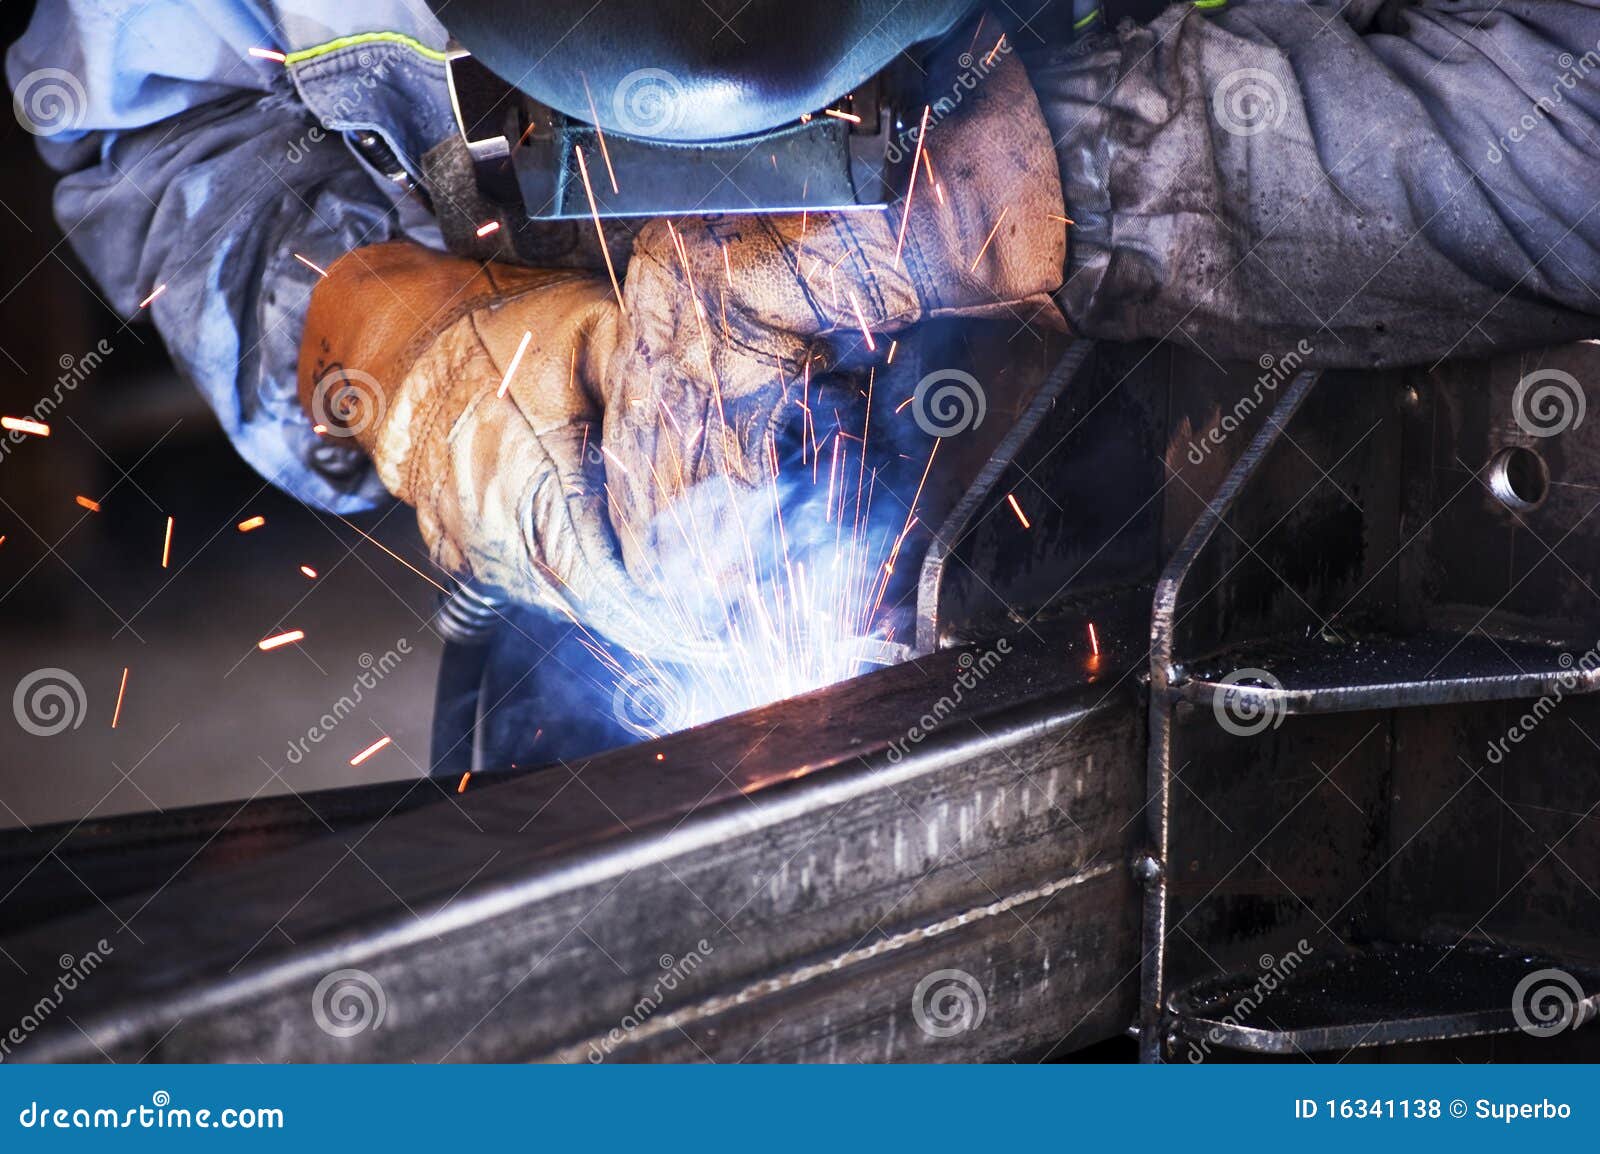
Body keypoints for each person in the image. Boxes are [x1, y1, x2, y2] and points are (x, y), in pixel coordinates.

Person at [11, 0, 1600, 654]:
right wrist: (404, 341)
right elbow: (167, 142)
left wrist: (1081, 166)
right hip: (603, 674)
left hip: (1254, 572)